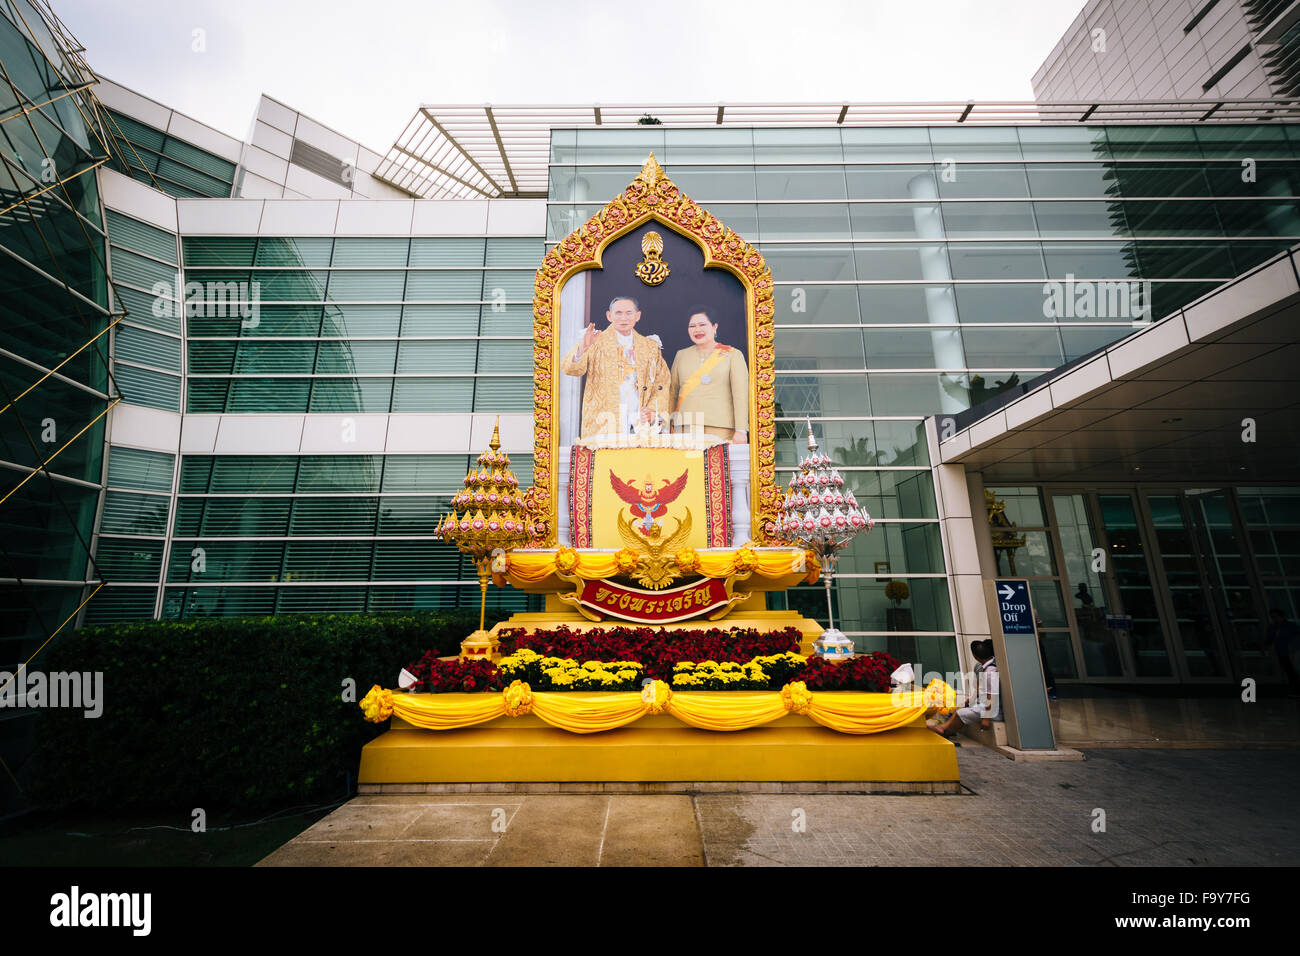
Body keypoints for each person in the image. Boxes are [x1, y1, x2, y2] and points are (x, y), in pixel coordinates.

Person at [561, 295, 670, 439]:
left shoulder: (650, 346)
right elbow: (571, 369)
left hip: (638, 421)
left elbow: (661, 382)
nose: (623, 318)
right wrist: (583, 348)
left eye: (629, 313)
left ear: (638, 316)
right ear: (609, 316)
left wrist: (651, 410)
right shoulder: (595, 341)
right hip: (604, 421)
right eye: (618, 313)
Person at [668, 306, 748, 443]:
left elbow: (741, 395)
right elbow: (672, 393)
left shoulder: (733, 355)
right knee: (686, 465)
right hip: (685, 428)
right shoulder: (681, 355)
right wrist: (667, 425)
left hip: (720, 427)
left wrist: (741, 429)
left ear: (714, 326)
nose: (697, 330)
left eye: (702, 324)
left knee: (716, 465)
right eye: (692, 326)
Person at [930, 640, 1001, 737]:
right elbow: (979, 687)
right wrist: (969, 701)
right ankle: (943, 727)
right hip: (985, 705)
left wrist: (986, 718)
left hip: (993, 710)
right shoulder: (986, 667)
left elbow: (992, 696)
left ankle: (944, 730)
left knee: (961, 713)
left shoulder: (990, 672)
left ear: (975, 656)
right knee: (960, 708)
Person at [1265, 608, 1300, 697]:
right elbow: (1269, 640)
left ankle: (1296, 690)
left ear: (1282, 617)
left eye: (1276, 617)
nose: (1274, 619)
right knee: (1290, 672)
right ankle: (1295, 690)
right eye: (1273, 617)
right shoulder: (1273, 628)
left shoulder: (1290, 626)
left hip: (1293, 652)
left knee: (1293, 670)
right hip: (1283, 653)